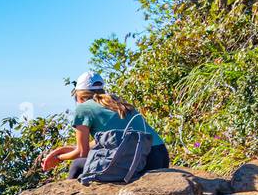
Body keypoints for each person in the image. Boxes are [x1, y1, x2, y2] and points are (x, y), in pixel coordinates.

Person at [42, 72, 170, 180]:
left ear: (79, 95)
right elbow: (100, 142)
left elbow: (82, 152)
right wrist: (61, 150)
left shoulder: (83, 109)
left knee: (77, 165)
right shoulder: (116, 101)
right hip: (160, 155)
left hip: (141, 159)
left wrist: (59, 158)